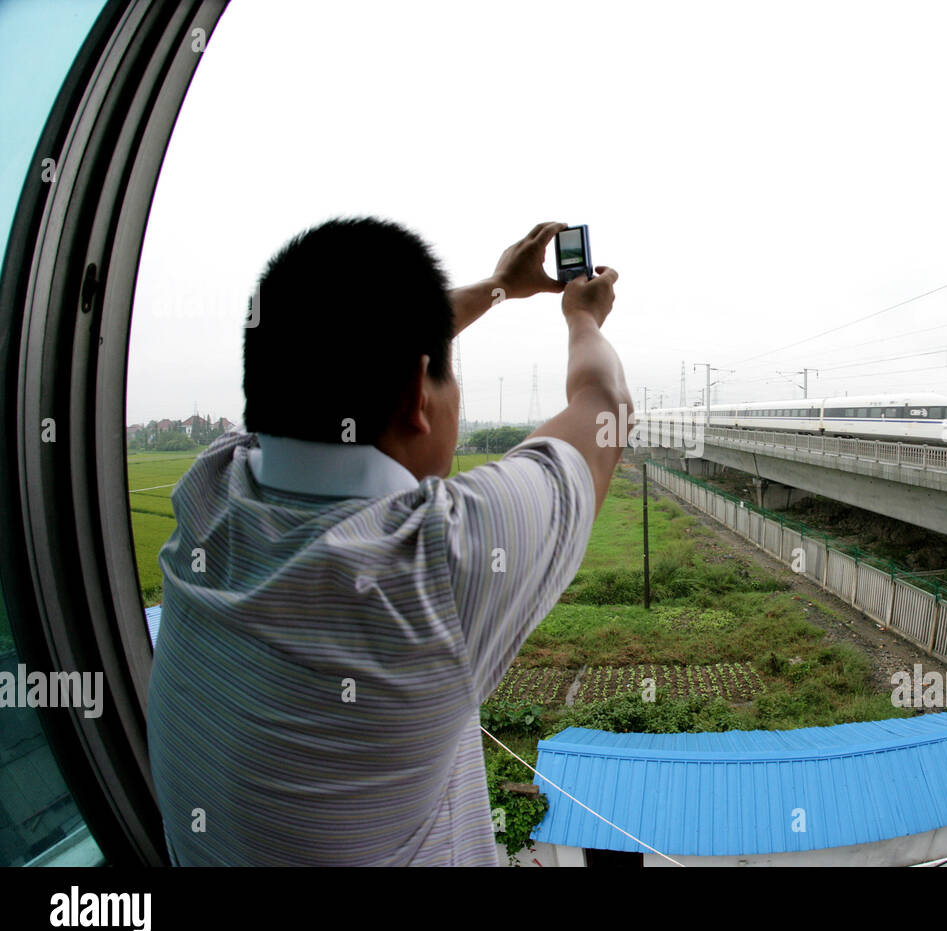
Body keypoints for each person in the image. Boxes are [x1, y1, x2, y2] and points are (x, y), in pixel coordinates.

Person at [146, 218, 631, 865]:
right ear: (415, 394)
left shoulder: (208, 487)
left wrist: (497, 289)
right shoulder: (434, 558)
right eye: (449, 373)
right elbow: (606, 405)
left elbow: (314, 367)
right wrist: (583, 316)